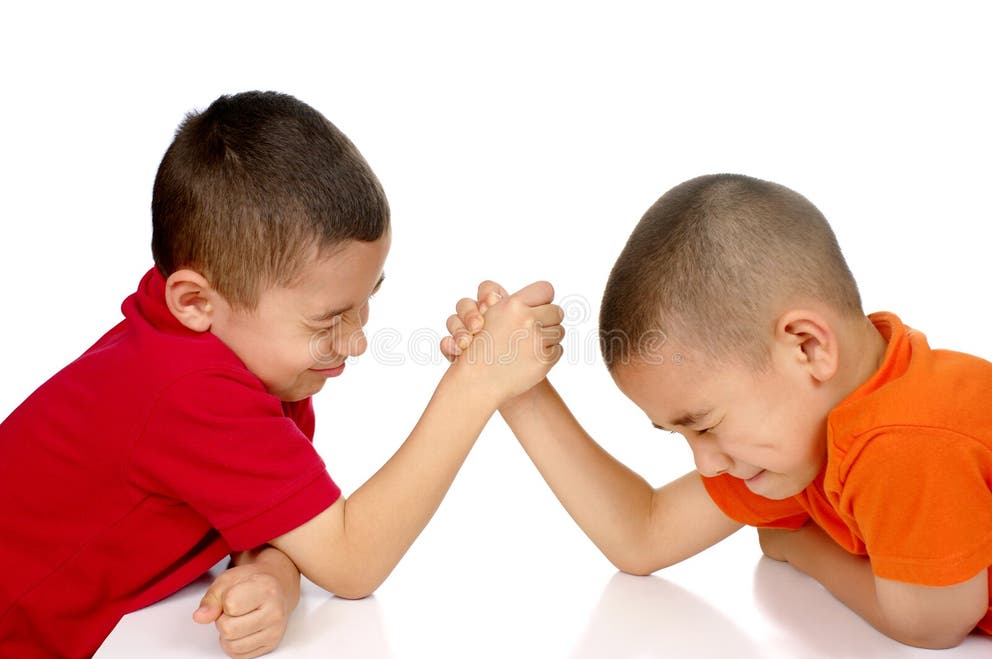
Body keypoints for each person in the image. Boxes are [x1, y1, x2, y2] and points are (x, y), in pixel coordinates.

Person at [0, 91, 564, 659]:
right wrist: (476, 382)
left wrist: (274, 576)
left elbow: (278, 529)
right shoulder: (188, 390)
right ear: (195, 300)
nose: (357, 340)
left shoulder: (233, 343)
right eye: (329, 319)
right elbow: (351, 561)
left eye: (366, 300)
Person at [442, 173, 992, 649]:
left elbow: (931, 624)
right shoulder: (800, 432)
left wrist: (801, 547)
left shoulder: (905, 437)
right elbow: (643, 535)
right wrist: (515, 390)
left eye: (705, 426)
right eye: (681, 435)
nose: (708, 465)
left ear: (807, 347)